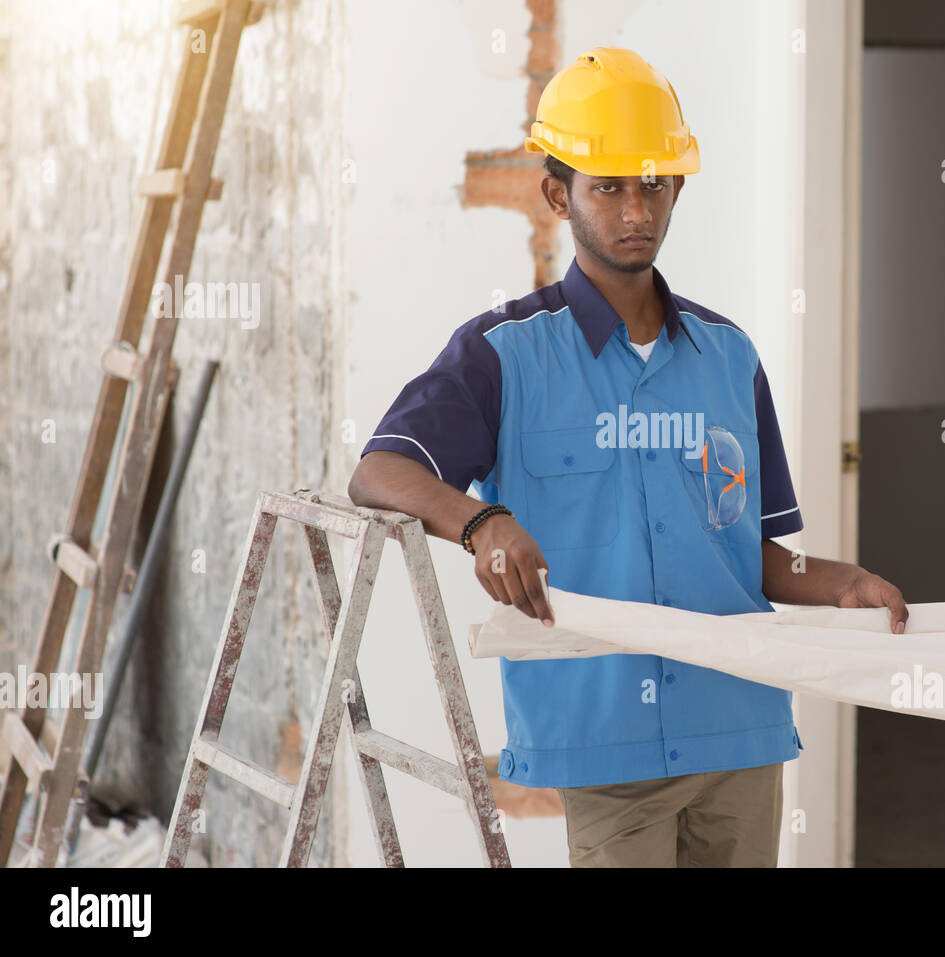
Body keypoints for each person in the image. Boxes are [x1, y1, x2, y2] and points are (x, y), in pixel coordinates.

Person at [348, 47, 908, 867]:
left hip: (740, 730)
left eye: (652, 182)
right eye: (607, 186)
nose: (634, 207)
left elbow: (746, 553)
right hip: (604, 739)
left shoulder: (729, 358)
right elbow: (379, 471)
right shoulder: (503, 354)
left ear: (677, 187)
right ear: (557, 193)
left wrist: (836, 581)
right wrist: (483, 522)